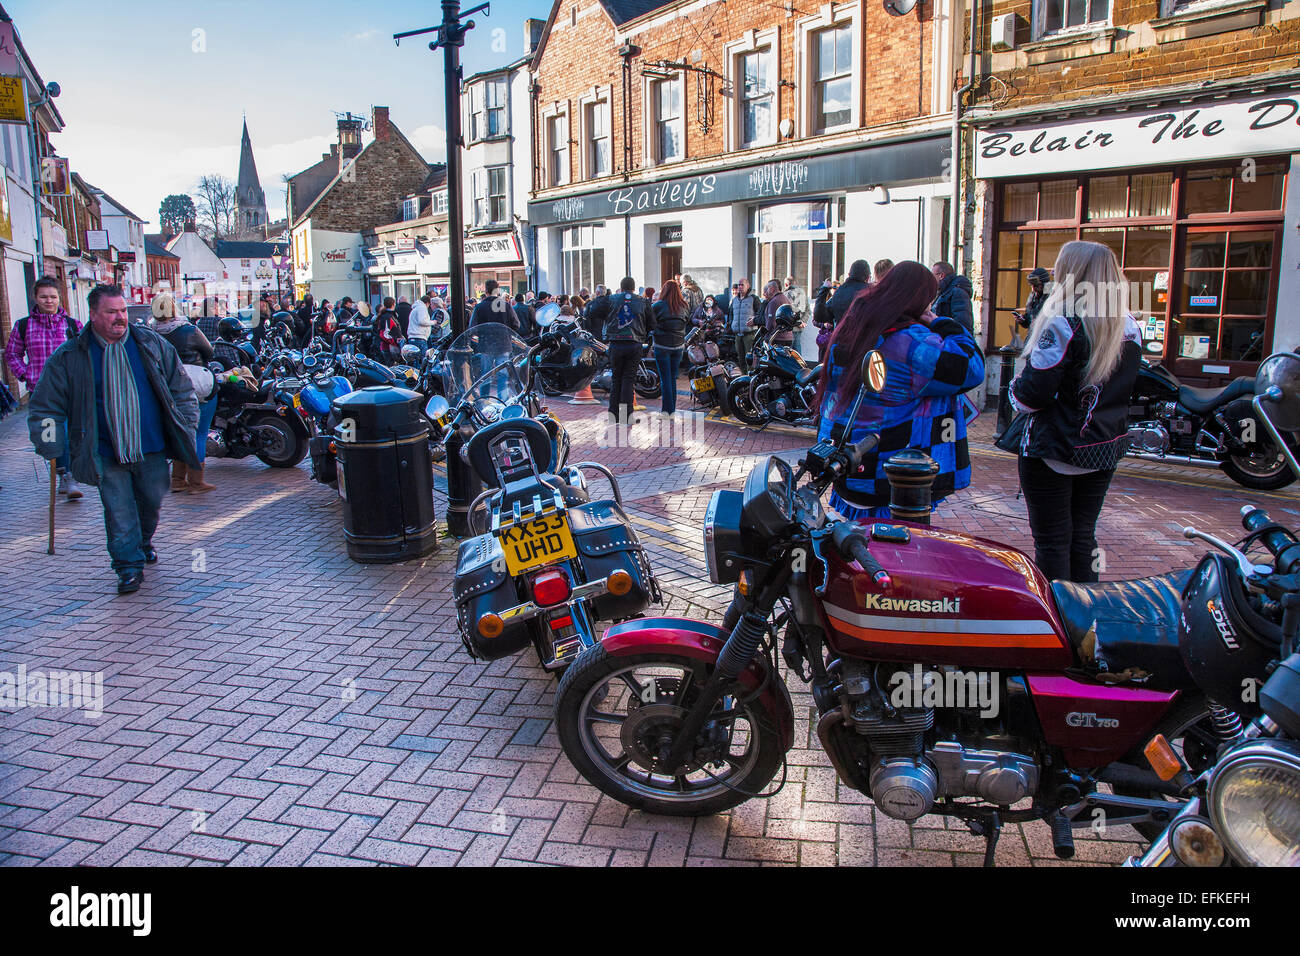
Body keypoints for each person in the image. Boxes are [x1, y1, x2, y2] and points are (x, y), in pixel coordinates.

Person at [27, 284, 200, 595]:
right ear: (93, 315)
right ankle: (128, 567)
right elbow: (46, 407)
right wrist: (50, 443)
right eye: (112, 312)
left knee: (150, 503)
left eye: (123, 311)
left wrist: (186, 424)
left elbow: (181, 388)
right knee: (118, 510)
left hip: (151, 447)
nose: (121, 318)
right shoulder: (71, 357)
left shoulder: (150, 343)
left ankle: (143, 542)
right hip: (105, 451)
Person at [1005, 241, 1142, 583]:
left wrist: (1013, 389)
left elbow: (1030, 396)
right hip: (1102, 445)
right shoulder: (1128, 325)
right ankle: (1087, 611)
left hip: (1055, 446)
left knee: (1052, 542)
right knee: (1083, 537)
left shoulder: (1064, 322)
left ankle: (1059, 619)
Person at [814, 261, 984, 521]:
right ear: (918, 300)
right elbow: (971, 368)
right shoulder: (911, 343)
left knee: (859, 550)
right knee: (894, 555)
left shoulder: (853, 328)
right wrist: (941, 323)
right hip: (894, 478)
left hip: (848, 464)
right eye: (929, 300)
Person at [5, 276, 83, 498]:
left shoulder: (71, 325)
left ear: (59, 298)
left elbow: (83, 354)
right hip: (41, 393)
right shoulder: (23, 326)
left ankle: (69, 475)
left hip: (68, 390)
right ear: (35, 298)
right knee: (49, 435)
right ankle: (60, 471)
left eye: (53, 297)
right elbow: (12, 354)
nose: (49, 301)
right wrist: (26, 375)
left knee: (67, 432)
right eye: (44, 297)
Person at [153, 292, 217, 494]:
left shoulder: (151, 333)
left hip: (168, 386)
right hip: (195, 383)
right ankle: (196, 482)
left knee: (179, 430)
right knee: (198, 432)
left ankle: (178, 480)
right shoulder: (189, 330)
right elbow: (209, 352)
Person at [603, 277, 649, 425]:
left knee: (616, 379)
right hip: (634, 343)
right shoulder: (642, 302)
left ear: (621, 287)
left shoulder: (611, 299)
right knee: (628, 380)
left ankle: (613, 415)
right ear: (634, 288)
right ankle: (626, 416)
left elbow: (594, 311)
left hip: (615, 343)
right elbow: (651, 323)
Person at [649, 279, 688, 415]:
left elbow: (650, 324)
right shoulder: (684, 305)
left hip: (662, 345)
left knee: (665, 379)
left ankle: (667, 412)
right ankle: (672, 410)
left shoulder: (657, 306)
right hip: (678, 346)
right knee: (672, 378)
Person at [827, 259, 871, 331]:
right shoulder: (869, 292)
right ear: (868, 277)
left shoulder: (839, 292)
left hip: (841, 337)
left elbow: (821, 315)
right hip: (863, 337)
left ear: (849, 275)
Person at [728, 279, 761, 372]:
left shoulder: (754, 299)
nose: (740, 287)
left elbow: (760, 313)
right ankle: (743, 378)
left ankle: (750, 378)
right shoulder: (734, 300)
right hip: (738, 334)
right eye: (739, 285)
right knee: (740, 358)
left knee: (750, 358)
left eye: (742, 285)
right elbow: (730, 314)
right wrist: (731, 324)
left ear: (748, 286)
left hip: (749, 334)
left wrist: (755, 320)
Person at [931, 261, 974, 332]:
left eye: (933, 275)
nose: (932, 279)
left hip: (952, 339)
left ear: (941, 276)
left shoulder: (957, 292)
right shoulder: (944, 292)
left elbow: (963, 323)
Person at [1014, 267, 1051, 332]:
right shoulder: (1032, 297)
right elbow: (1029, 319)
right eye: (1032, 286)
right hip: (1032, 336)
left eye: (1036, 286)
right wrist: (1023, 321)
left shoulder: (1051, 298)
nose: (1033, 289)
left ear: (1044, 284)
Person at [761, 279, 793, 346]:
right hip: (788, 337)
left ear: (772, 289)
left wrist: (766, 337)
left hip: (777, 338)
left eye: (767, 289)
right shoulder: (785, 299)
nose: (766, 292)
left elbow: (771, 323)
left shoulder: (774, 302)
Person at [373, 297, 403, 363]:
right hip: (388, 347)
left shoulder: (388, 316)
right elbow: (384, 334)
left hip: (389, 347)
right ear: (393, 304)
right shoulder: (387, 317)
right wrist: (395, 340)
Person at [784, 275, 808, 353]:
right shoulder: (802, 293)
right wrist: (801, 322)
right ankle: (800, 365)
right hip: (798, 327)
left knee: (788, 352)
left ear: (786, 284)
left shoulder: (785, 295)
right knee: (797, 351)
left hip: (788, 328)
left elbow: (786, 312)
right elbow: (807, 311)